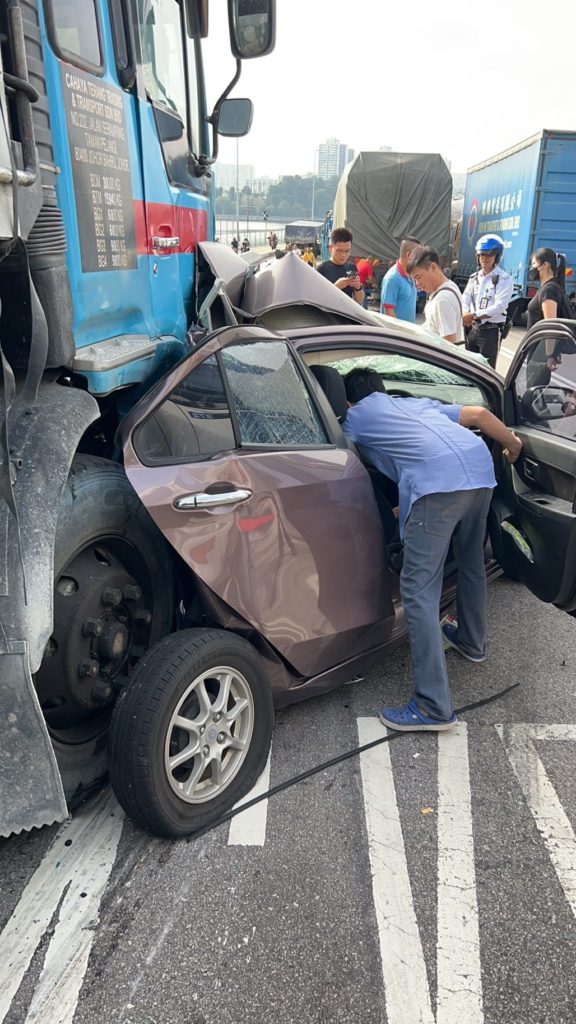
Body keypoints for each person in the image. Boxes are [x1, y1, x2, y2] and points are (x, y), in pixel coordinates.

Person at [342, 367, 522, 730]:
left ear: (349, 400)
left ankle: (431, 706)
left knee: (418, 591)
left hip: (438, 486)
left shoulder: (354, 418)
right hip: (480, 472)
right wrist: (514, 445)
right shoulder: (414, 404)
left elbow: (341, 463)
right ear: (382, 388)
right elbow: (481, 415)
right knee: (472, 562)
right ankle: (471, 641)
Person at [462, 234, 514, 369]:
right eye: (482, 255)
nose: (485, 258)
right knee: (468, 369)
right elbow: (465, 299)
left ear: (496, 257)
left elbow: (499, 307)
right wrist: (464, 313)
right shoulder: (474, 278)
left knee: (486, 371)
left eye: (489, 255)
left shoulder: (504, 279)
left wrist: (473, 315)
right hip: (472, 330)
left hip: (490, 333)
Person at [526, 248, 570, 384]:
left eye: (533, 264)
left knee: (533, 395)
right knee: (535, 396)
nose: (531, 268)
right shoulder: (551, 287)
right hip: (538, 350)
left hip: (540, 353)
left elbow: (550, 325)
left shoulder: (548, 290)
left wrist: (549, 355)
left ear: (544, 265)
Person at [406, 246, 464, 343]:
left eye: (418, 277)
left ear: (433, 267)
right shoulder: (449, 286)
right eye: (414, 280)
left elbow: (449, 345)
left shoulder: (442, 300)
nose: (416, 284)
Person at [316, 227, 363, 304]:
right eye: (339, 251)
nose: (343, 255)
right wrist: (335, 288)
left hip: (347, 313)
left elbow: (359, 302)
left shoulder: (352, 267)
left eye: (347, 251)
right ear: (331, 248)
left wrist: (358, 287)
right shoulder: (321, 270)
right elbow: (316, 301)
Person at [380, 238, 420, 322]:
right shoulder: (392, 278)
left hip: (409, 332)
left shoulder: (410, 275)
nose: (420, 259)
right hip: (398, 333)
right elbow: (389, 314)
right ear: (409, 255)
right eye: (418, 255)